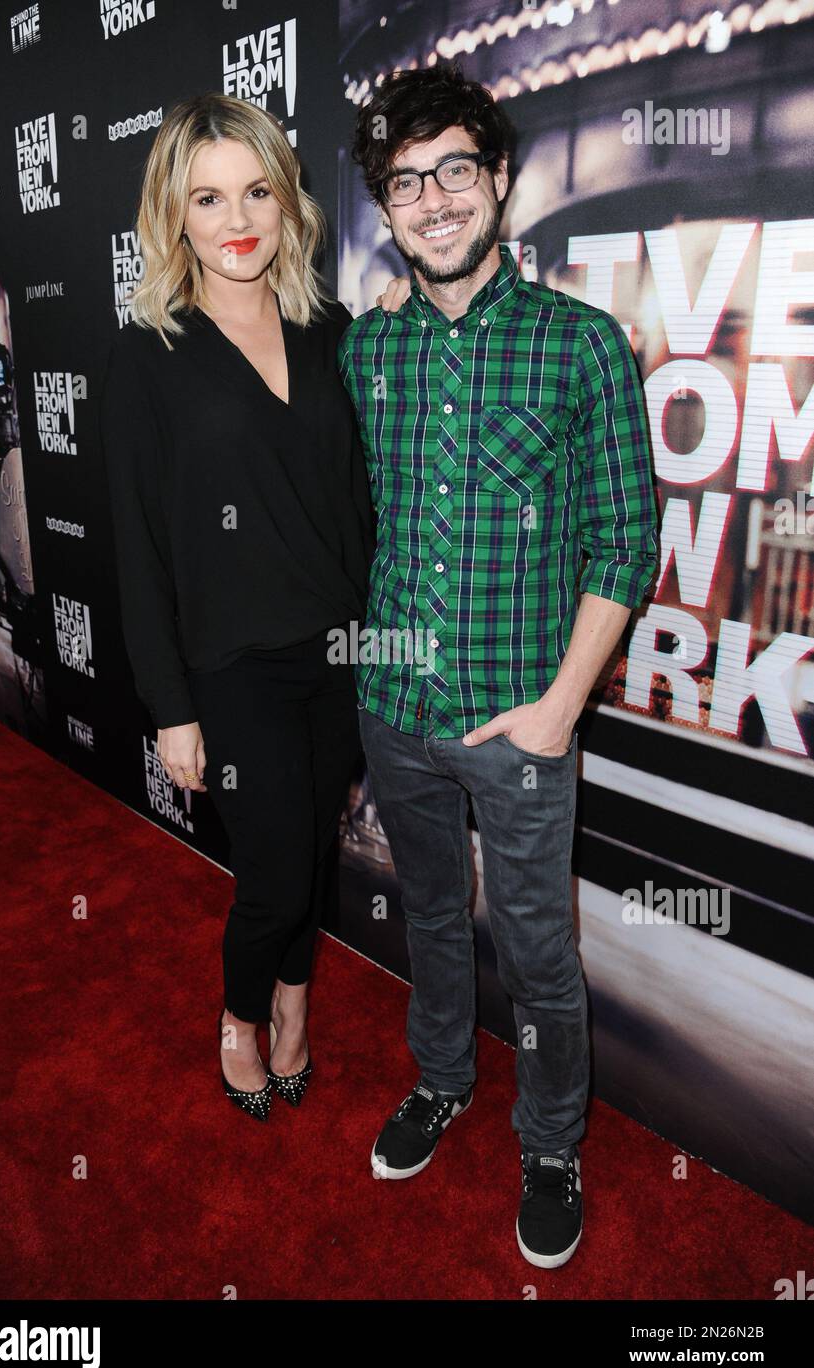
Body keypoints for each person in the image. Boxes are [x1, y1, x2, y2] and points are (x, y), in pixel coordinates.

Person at [339, 65, 659, 1265]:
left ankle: (551, 1140)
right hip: (393, 709)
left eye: (453, 171)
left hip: (522, 725)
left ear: (500, 179)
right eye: (406, 181)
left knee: (537, 954)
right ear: (390, 204)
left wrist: (558, 710)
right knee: (426, 918)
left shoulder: (580, 347)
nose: (430, 200)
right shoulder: (368, 357)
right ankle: (438, 1080)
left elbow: (627, 540)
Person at [100, 93, 375, 1122]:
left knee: (310, 852)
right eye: (207, 197)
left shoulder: (329, 330)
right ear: (174, 214)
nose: (236, 218)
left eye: (256, 189)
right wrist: (172, 707)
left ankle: (298, 1008)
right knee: (269, 870)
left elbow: (355, 503)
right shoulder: (150, 352)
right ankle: (241, 1019)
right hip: (232, 664)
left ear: (286, 198)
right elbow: (138, 541)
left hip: (338, 654)